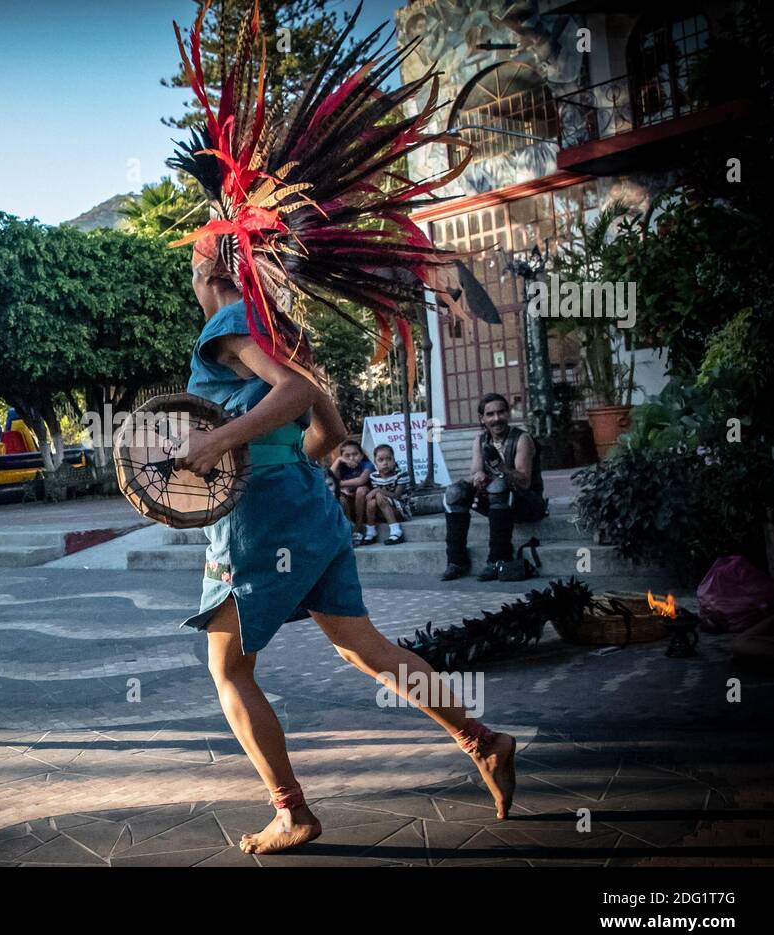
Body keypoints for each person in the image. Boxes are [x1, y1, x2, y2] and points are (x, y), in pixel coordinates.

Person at [166, 4, 516, 855]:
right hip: (310, 506)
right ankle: (483, 742)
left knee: (228, 668)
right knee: (364, 647)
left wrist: (215, 444)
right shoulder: (271, 327)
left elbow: (288, 399)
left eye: (193, 251)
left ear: (213, 262)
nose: (188, 260)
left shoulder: (229, 326)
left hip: (265, 515)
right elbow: (326, 428)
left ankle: (292, 810)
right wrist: (292, 458)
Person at [442, 393, 548, 581]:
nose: (496, 418)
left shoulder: (522, 438)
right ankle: (456, 562)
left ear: (508, 414)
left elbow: (524, 481)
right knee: (455, 493)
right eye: (490, 414)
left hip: (528, 503)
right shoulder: (480, 440)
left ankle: (498, 559)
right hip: (498, 503)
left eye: (501, 412)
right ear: (482, 419)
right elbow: (475, 471)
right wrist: (478, 476)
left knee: (498, 486)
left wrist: (501, 468)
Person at [363, 444, 410, 545]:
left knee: (378, 495)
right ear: (375, 462)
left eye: (389, 459)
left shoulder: (401, 474)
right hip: (384, 509)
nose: (385, 463)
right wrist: (377, 492)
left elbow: (397, 495)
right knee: (371, 502)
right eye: (381, 460)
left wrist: (377, 491)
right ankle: (371, 531)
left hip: (401, 510)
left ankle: (396, 531)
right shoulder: (374, 476)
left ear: (394, 460)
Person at [329, 439, 373, 543]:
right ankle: (348, 528)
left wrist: (339, 484)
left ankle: (359, 525)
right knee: (340, 497)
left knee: (361, 490)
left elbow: (361, 480)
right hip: (349, 501)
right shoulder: (342, 467)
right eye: (347, 456)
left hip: (365, 499)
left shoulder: (367, 465)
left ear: (361, 455)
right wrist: (338, 460)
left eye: (355, 454)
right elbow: (328, 476)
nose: (352, 458)